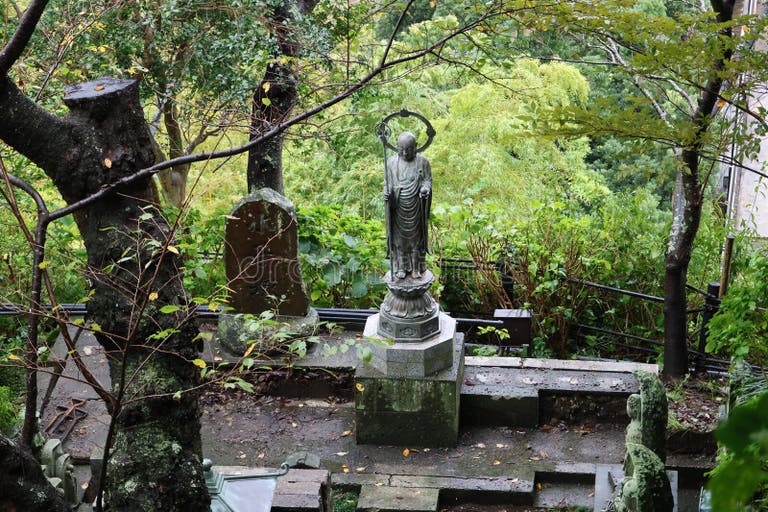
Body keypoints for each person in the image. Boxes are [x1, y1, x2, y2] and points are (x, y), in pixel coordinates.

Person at [384, 131, 431, 280]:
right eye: (401, 149)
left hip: (415, 207)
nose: (404, 152)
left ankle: (416, 268)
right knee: (399, 242)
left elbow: (427, 180)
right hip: (398, 207)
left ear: (416, 147)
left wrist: (425, 188)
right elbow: (388, 184)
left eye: (409, 149)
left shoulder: (423, 162)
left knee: (416, 241)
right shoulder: (391, 162)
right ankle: (402, 267)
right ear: (397, 147)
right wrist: (387, 192)